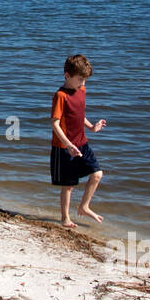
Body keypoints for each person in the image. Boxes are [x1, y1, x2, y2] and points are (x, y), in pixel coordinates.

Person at [50, 53, 107, 226]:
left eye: (85, 80)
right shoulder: (60, 95)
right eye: (80, 79)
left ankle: (84, 206)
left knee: (97, 174)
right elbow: (55, 124)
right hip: (64, 147)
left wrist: (92, 127)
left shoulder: (82, 90)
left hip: (82, 142)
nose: (83, 83)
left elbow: (79, 114)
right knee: (68, 185)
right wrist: (68, 145)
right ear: (67, 75)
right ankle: (65, 218)